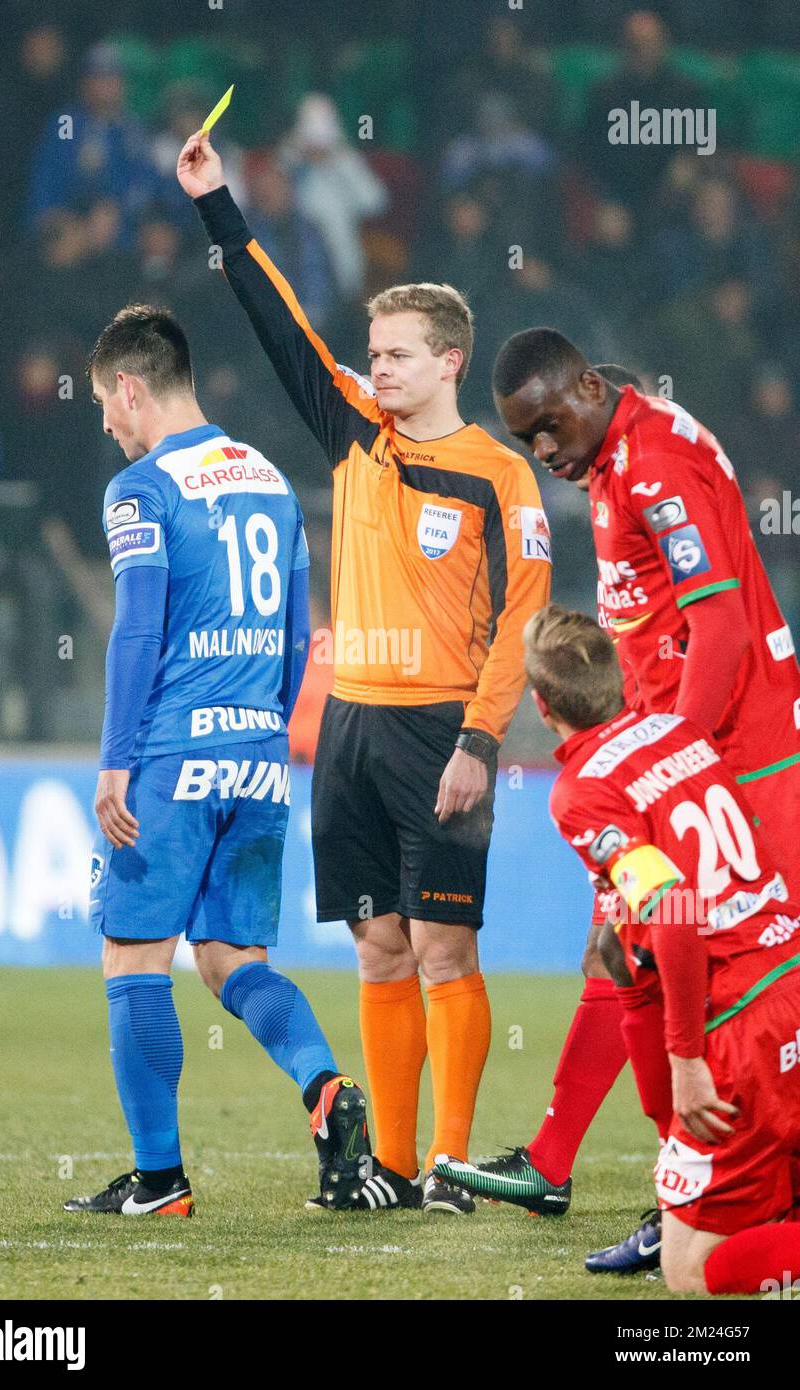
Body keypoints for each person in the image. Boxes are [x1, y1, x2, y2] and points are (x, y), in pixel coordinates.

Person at [176, 130, 552, 1214]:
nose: (371, 367)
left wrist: (481, 741)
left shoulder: (498, 476)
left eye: (391, 354)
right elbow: (276, 320)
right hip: (346, 725)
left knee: (443, 941)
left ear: (446, 361)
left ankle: (451, 1165)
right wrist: (219, 207)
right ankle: (388, 1164)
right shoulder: (354, 432)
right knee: (378, 945)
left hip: (442, 729)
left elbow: (521, 619)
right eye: (369, 352)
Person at [444, 329, 800, 1265]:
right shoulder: (615, 458)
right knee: (625, 950)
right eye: (529, 441)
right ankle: (645, 1178)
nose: (546, 452)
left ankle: (724, 1191)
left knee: (727, 963)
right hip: (692, 755)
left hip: (737, 762)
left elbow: (718, 620)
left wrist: (664, 756)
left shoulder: (652, 465)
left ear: (591, 388)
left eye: (552, 427)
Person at [64, 304, 372, 1217]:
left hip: (172, 753)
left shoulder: (141, 491)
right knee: (232, 956)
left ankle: (159, 1180)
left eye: (103, 406)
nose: (107, 426)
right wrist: (261, 737)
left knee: (133, 962)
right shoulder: (273, 478)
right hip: (260, 755)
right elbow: (295, 640)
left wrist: (118, 762)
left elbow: (139, 630)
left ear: (129, 386)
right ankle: (324, 1090)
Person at [442, 606, 800, 1296]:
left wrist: (688, 1061)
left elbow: (672, 908)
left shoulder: (582, 794)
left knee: (691, 1273)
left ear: (542, 707)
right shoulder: (679, 731)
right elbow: (637, 924)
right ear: (619, 681)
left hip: (743, 1022)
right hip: (786, 969)